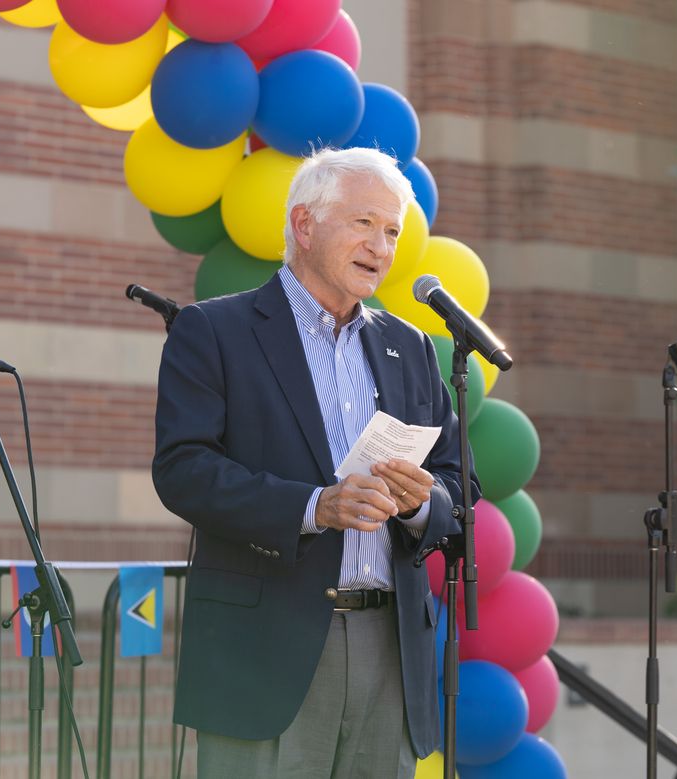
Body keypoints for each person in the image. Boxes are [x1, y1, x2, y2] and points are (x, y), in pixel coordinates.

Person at [152, 146, 475, 778]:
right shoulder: (214, 330)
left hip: (390, 649)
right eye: (364, 223)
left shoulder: (410, 347)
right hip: (265, 650)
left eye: (392, 232)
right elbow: (183, 470)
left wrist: (421, 503)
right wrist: (314, 507)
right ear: (304, 225)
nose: (380, 247)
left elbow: (460, 482)